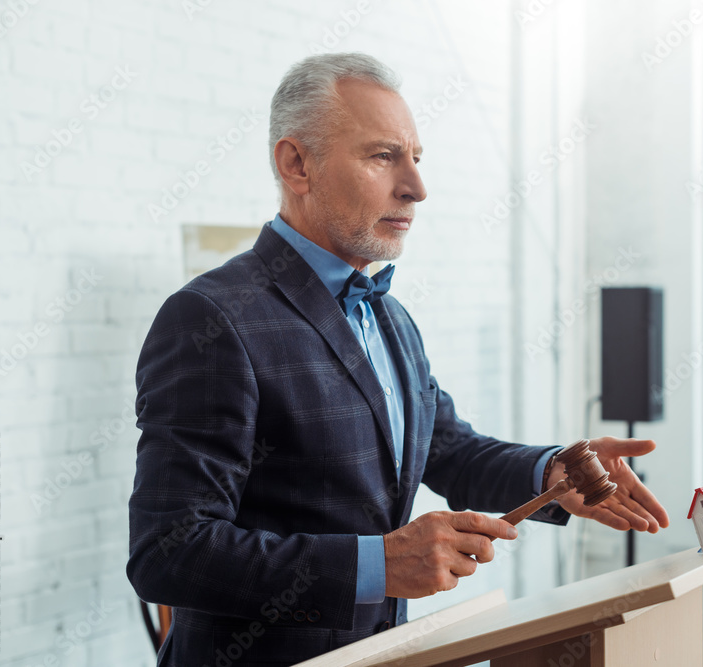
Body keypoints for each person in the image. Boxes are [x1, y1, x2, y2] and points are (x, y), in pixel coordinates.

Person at [126, 52, 669, 666]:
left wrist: (552, 472)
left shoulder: (389, 315)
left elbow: (446, 448)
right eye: (383, 156)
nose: (415, 187)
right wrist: (377, 564)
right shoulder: (211, 317)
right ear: (296, 164)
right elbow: (168, 553)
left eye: (415, 159)